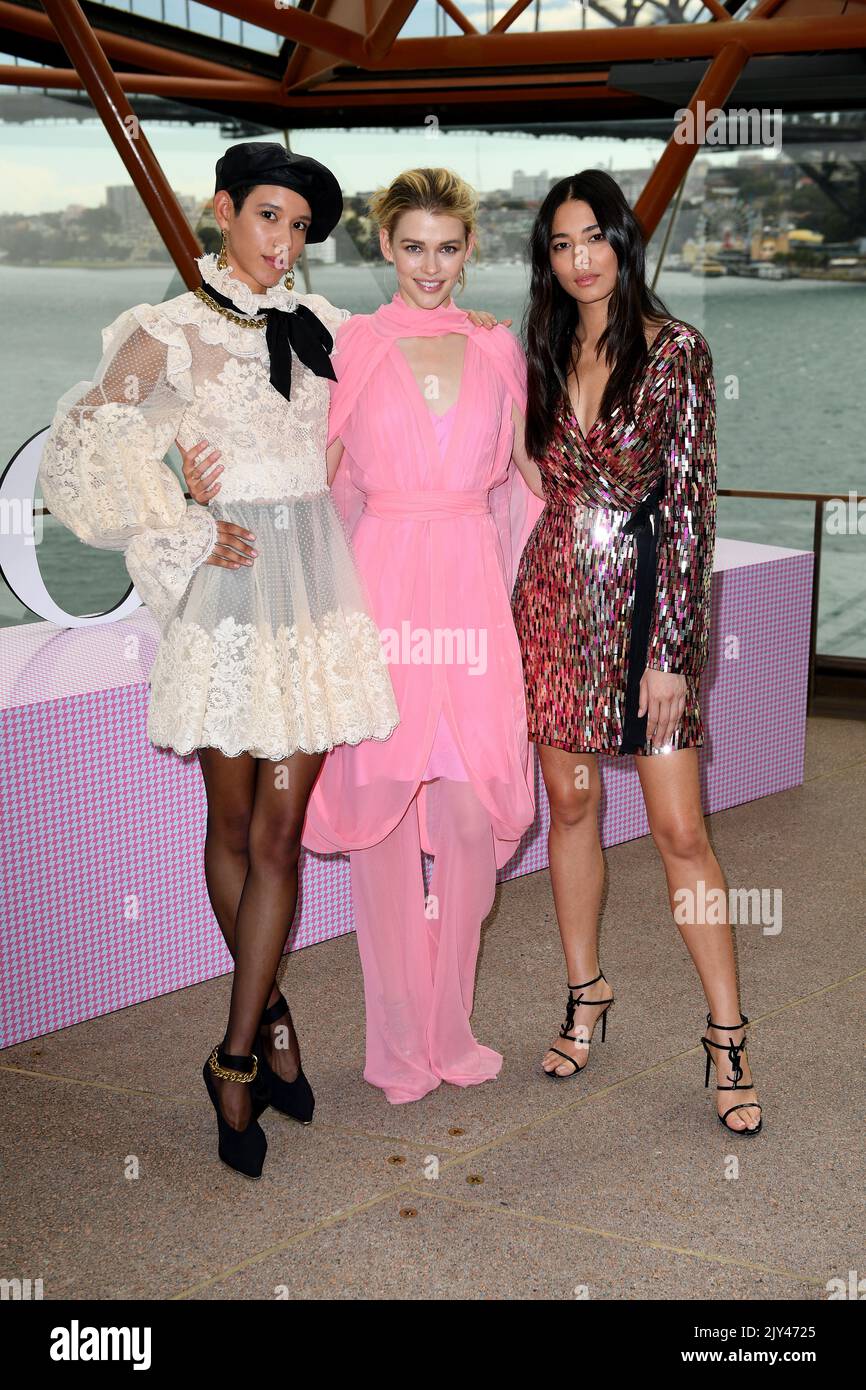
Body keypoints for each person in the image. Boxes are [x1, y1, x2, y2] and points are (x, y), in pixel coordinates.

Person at [37, 142, 400, 1178]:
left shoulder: (325, 327)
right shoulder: (170, 329)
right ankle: (273, 1011)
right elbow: (83, 452)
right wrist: (183, 518)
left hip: (313, 597)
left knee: (279, 836)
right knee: (232, 826)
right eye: (266, 219)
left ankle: (234, 1055)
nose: (282, 245)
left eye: (298, 228)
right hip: (230, 594)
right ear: (222, 210)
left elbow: (388, 413)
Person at [511, 170, 762, 1135]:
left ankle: (727, 1036)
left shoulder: (676, 352)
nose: (580, 260)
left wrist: (670, 654)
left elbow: (693, 510)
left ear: (624, 240)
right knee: (569, 806)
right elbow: (533, 467)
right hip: (553, 603)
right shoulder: (543, 344)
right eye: (561, 245)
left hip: (646, 613)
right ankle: (587, 994)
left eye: (594, 239)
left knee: (680, 833)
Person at [297, 167, 544, 1104]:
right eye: (412, 247)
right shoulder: (353, 344)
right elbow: (320, 480)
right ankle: (400, 1043)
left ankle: (451, 1024)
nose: (431, 267)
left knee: (473, 816)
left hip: (473, 595)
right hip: (384, 589)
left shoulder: (498, 347)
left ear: (470, 249)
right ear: (386, 247)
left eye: (448, 248)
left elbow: (525, 477)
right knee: (386, 825)